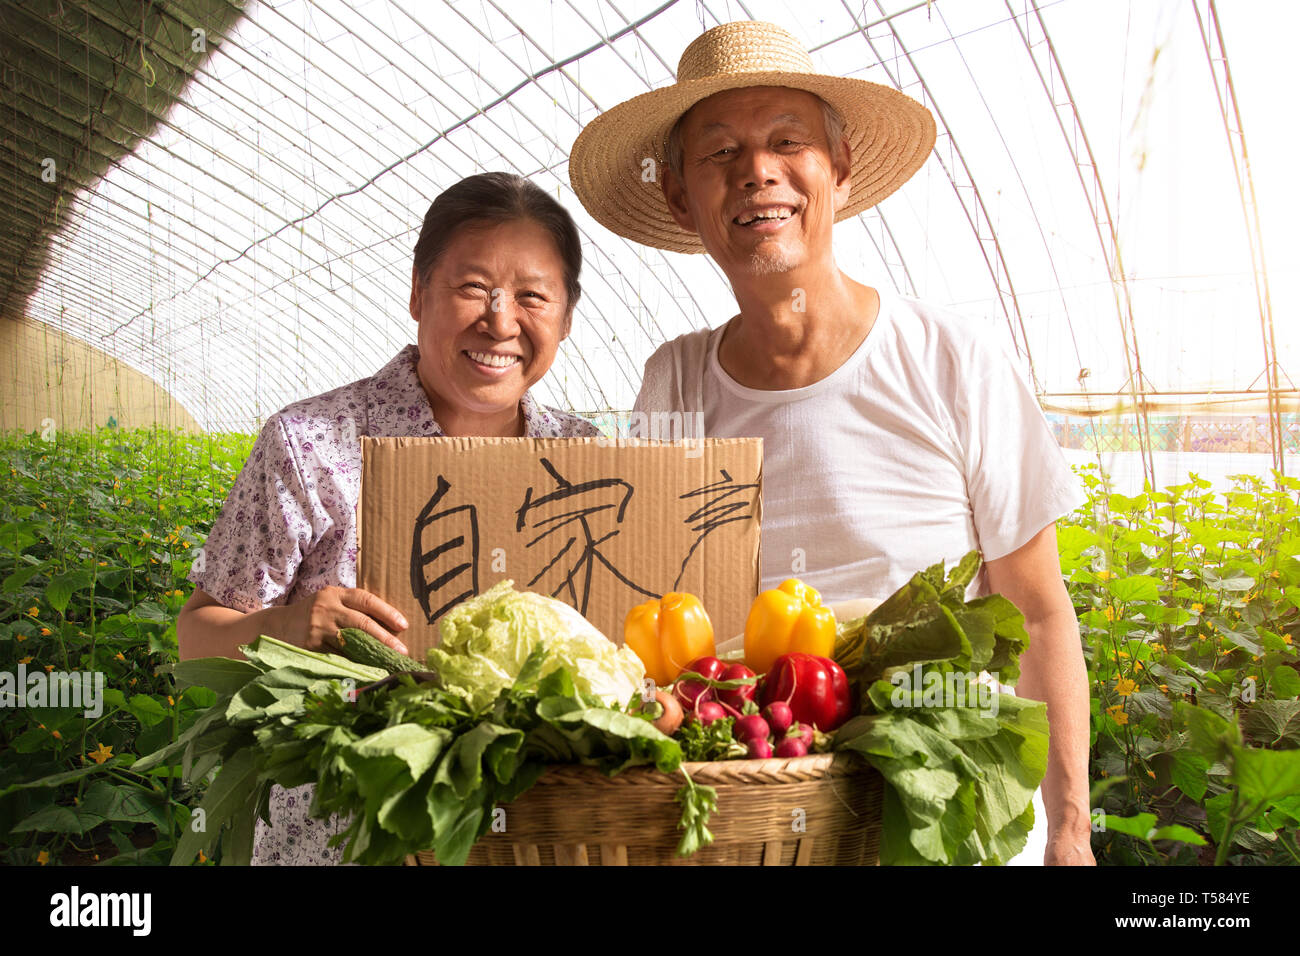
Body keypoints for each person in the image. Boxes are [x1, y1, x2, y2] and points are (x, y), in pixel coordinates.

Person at [568, 21, 1093, 866]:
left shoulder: (954, 361)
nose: (757, 171)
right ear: (678, 198)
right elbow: (649, 608)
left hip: (949, 810)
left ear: (838, 172)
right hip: (759, 819)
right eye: (720, 153)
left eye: (788, 142)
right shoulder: (674, 382)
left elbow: (1036, 609)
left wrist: (1071, 833)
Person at [177, 171, 599, 864]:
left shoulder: (584, 459)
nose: (500, 320)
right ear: (417, 293)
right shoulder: (310, 443)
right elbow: (196, 638)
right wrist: (285, 626)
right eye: (472, 288)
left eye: (532, 296)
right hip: (340, 836)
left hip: (527, 837)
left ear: (565, 318)